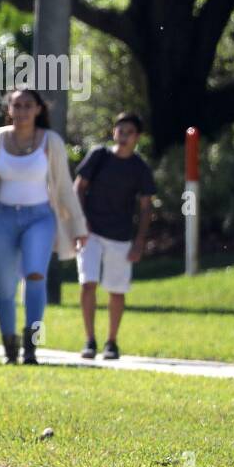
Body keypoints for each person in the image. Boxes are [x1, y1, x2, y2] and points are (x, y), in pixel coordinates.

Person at [0, 88, 88, 365]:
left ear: (38, 109)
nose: (22, 111)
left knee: (36, 276)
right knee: (5, 287)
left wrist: (78, 226)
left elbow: (64, 189)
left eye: (28, 106)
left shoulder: (51, 141)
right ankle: (10, 347)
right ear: (8, 109)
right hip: (2, 218)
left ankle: (32, 346)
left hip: (40, 218)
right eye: (17, 106)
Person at [74, 112, 155, 361]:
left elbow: (145, 206)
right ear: (113, 132)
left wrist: (140, 241)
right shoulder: (99, 155)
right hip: (91, 232)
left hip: (120, 235)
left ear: (137, 137)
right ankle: (90, 339)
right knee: (88, 282)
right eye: (120, 131)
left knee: (116, 289)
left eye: (129, 132)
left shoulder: (140, 168)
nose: (123, 136)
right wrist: (81, 222)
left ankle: (112, 341)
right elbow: (79, 187)